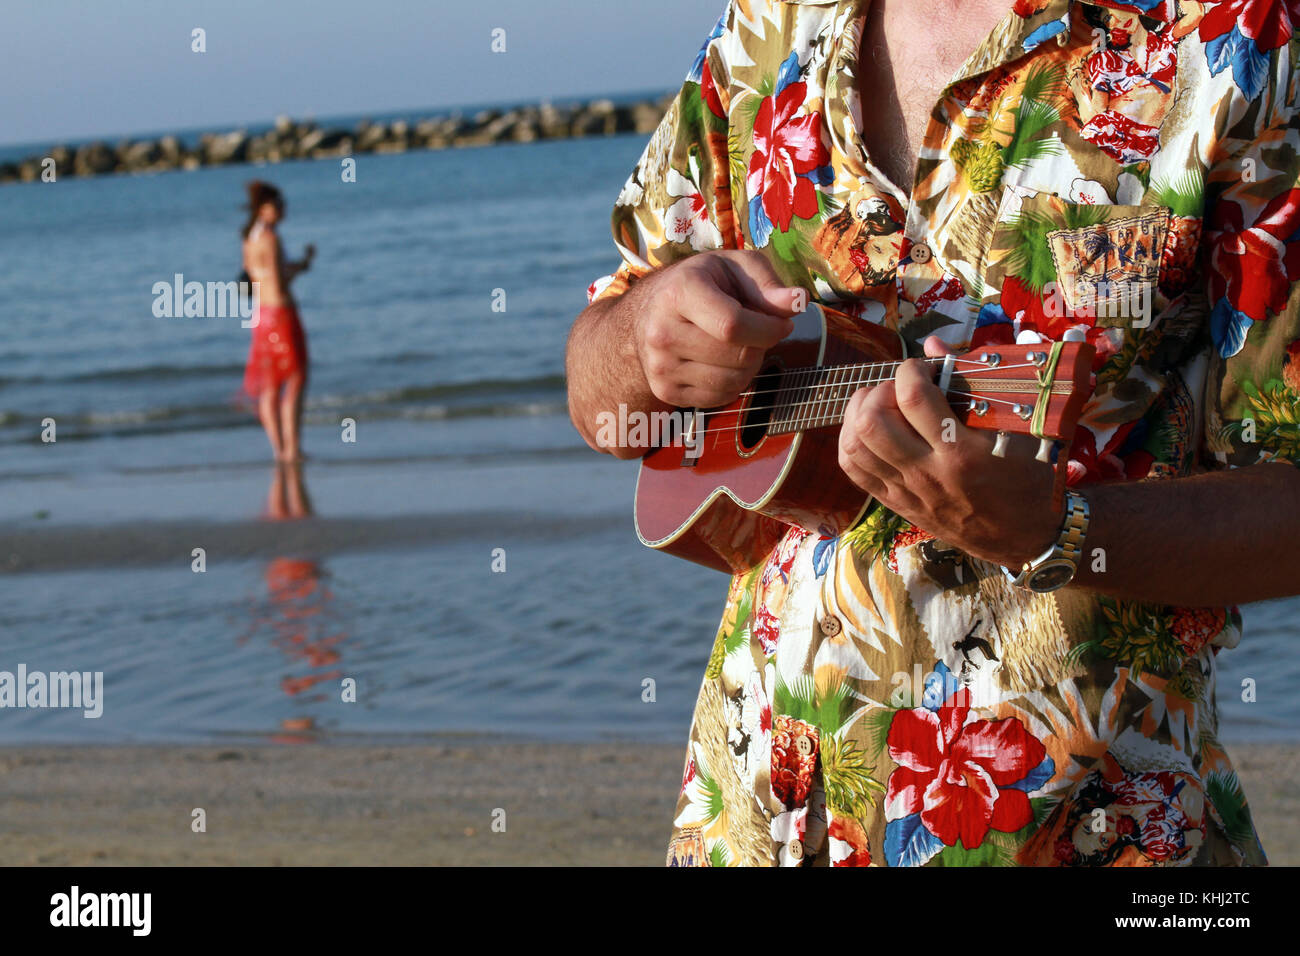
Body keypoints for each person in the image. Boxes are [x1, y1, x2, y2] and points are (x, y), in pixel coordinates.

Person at [566, 0, 1300, 866]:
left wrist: (1056, 531)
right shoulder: (766, 26)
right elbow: (600, 394)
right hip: (757, 812)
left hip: (1092, 829)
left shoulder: (1235, 33)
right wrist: (645, 325)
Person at [241, 180, 315, 462]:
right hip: (281, 313)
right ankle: (292, 447)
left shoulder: (249, 239)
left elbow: (252, 279)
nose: (283, 209)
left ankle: (278, 448)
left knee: (270, 385)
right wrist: (302, 266)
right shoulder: (271, 239)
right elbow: (280, 280)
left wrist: (296, 266)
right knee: (296, 378)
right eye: (279, 205)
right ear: (264, 209)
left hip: (260, 315)